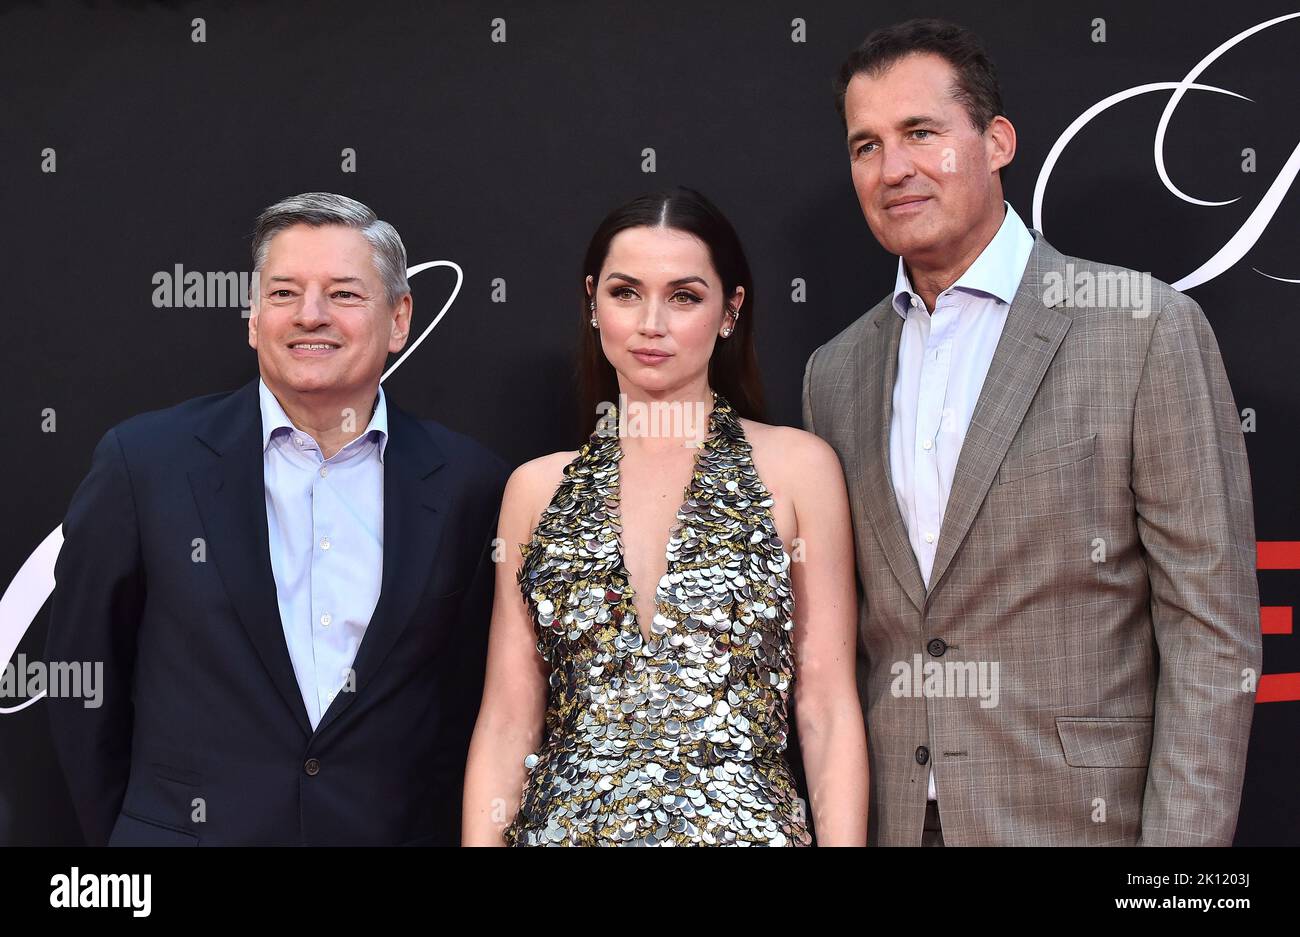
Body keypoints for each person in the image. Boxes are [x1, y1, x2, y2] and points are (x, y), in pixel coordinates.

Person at [802, 19, 1261, 845]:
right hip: (898, 824)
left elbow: (1211, 633)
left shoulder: (1143, 328)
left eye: (920, 133)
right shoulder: (833, 374)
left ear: (997, 141)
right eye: (865, 146)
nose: (892, 168)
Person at [45, 192, 507, 845]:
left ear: (399, 317)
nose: (310, 315)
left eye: (344, 294)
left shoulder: (470, 483)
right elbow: (83, 683)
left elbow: (475, 704)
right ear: (254, 317)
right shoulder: (144, 464)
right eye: (285, 292)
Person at [463, 186, 868, 845]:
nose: (652, 322)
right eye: (625, 293)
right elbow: (509, 720)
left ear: (731, 310)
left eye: (684, 296)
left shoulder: (799, 470)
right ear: (593, 302)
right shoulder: (535, 489)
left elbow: (824, 705)